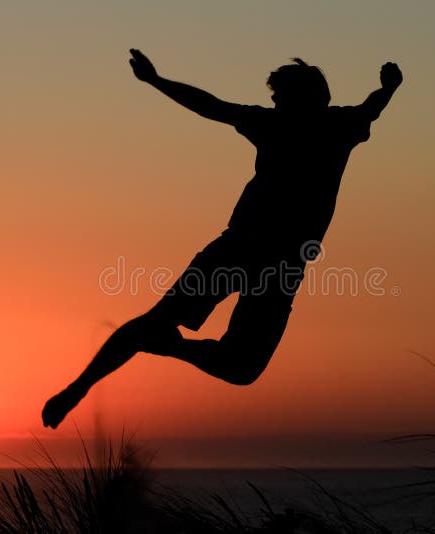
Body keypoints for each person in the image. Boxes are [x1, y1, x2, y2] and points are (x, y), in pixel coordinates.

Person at [42, 49, 402, 429]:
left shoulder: (326, 125)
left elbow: (212, 106)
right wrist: (389, 88)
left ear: (304, 98)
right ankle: (79, 388)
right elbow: (210, 106)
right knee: (164, 324)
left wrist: (388, 89)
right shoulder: (322, 124)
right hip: (242, 247)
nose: (274, 104)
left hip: (277, 262)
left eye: (279, 98)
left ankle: (168, 346)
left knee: (242, 368)